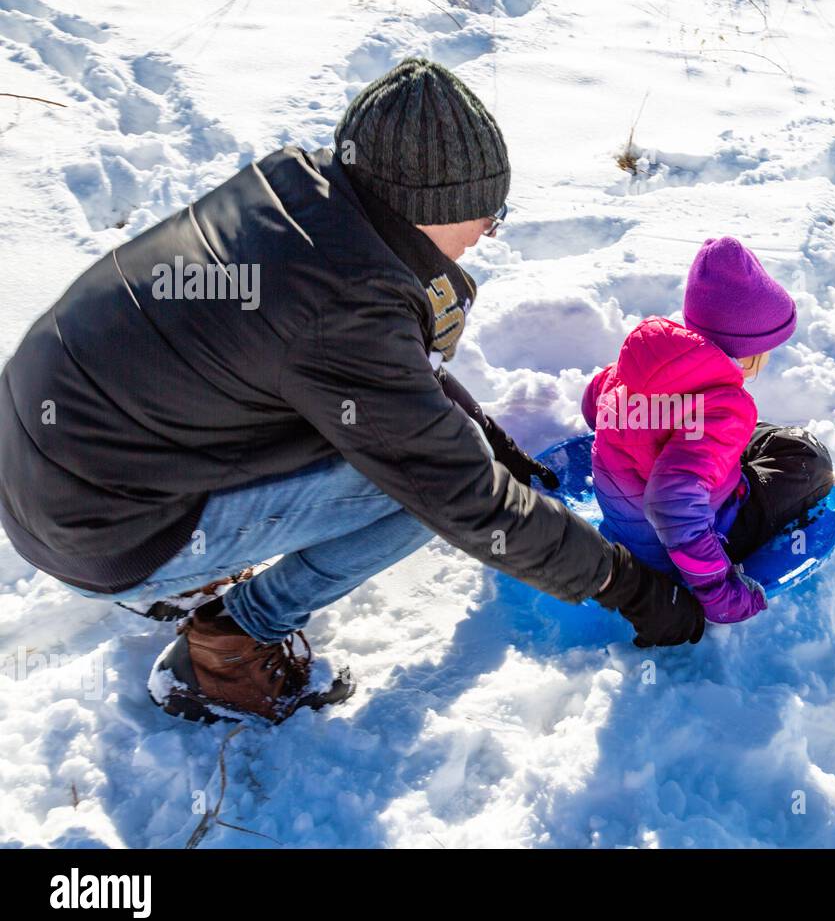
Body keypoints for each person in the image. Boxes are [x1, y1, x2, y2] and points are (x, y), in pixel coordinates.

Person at [0, 58, 706, 726]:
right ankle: (230, 644)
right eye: (488, 213)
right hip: (98, 530)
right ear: (432, 205)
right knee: (414, 494)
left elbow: (357, 365)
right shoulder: (344, 308)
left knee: (403, 453)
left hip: (51, 470)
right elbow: (460, 495)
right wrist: (632, 588)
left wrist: (476, 428)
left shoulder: (302, 196)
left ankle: (185, 571)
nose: (490, 231)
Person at [581, 236, 835, 627]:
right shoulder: (725, 408)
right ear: (749, 354)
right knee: (807, 458)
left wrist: (638, 437)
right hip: (686, 544)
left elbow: (592, 404)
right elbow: (673, 504)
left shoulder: (632, 366)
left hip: (623, 528)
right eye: (768, 349)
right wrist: (717, 591)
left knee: (730, 435)